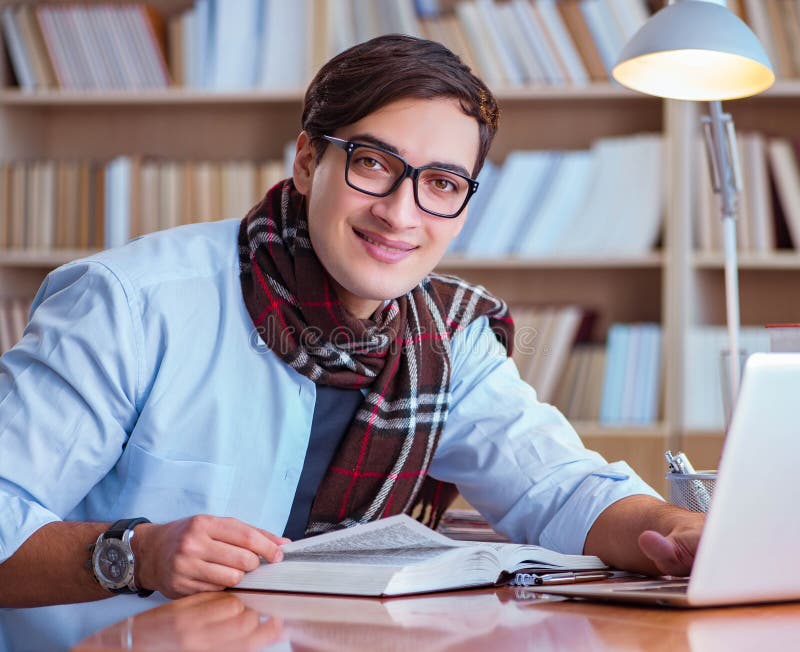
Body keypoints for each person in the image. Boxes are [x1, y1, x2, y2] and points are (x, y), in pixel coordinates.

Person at [0, 35, 702, 608]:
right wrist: (137, 554)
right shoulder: (130, 302)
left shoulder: (447, 334)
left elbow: (560, 489)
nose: (401, 214)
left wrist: (677, 532)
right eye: (373, 164)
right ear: (308, 161)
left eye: (441, 185)